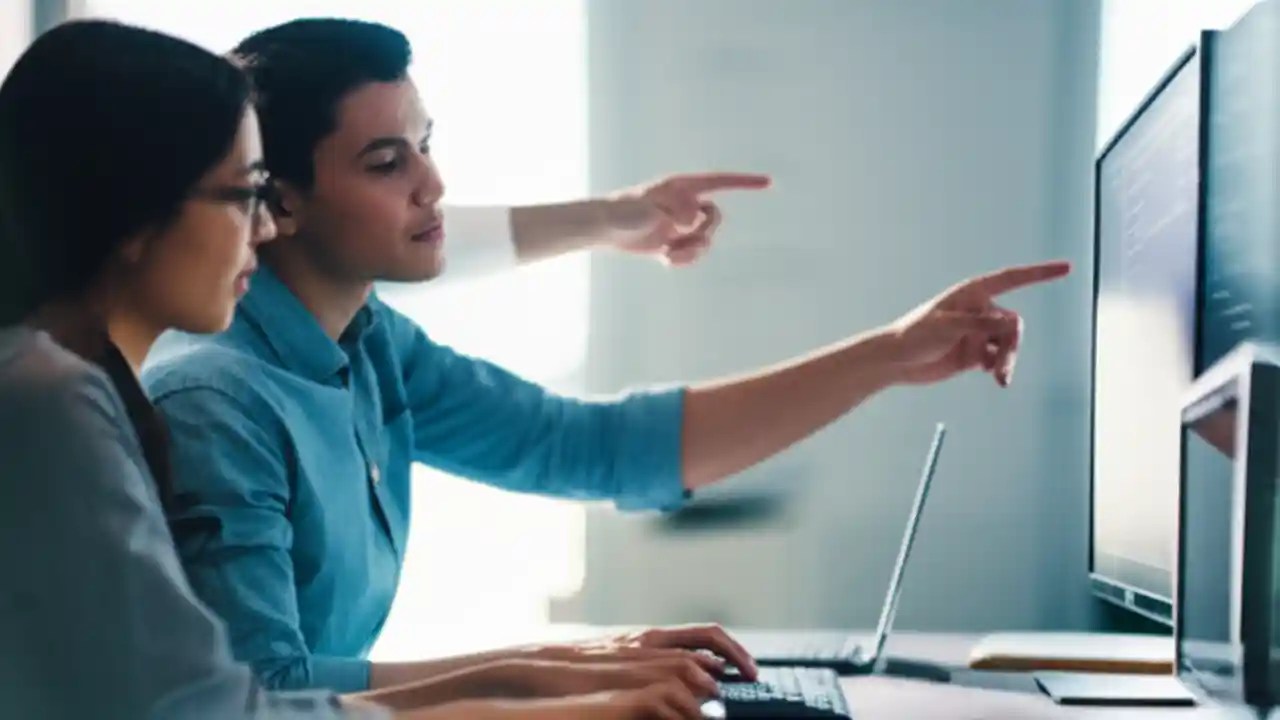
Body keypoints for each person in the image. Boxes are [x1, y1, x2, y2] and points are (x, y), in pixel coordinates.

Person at [143, 16, 1071, 703]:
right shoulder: (216, 397)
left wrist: (891, 356)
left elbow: (599, 447)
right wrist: (555, 673)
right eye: (387, 163)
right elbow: (269, 694)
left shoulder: (370, 343)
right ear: (282, 200)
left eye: (427, 147)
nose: (435, 185)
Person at [0, 18, 711, 720]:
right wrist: (540, 696)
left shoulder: (69, 384)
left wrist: (545, 679)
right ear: (134, 215)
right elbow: (224, 709)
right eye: (246, 195)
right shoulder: (71, 398)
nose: (265, 226)